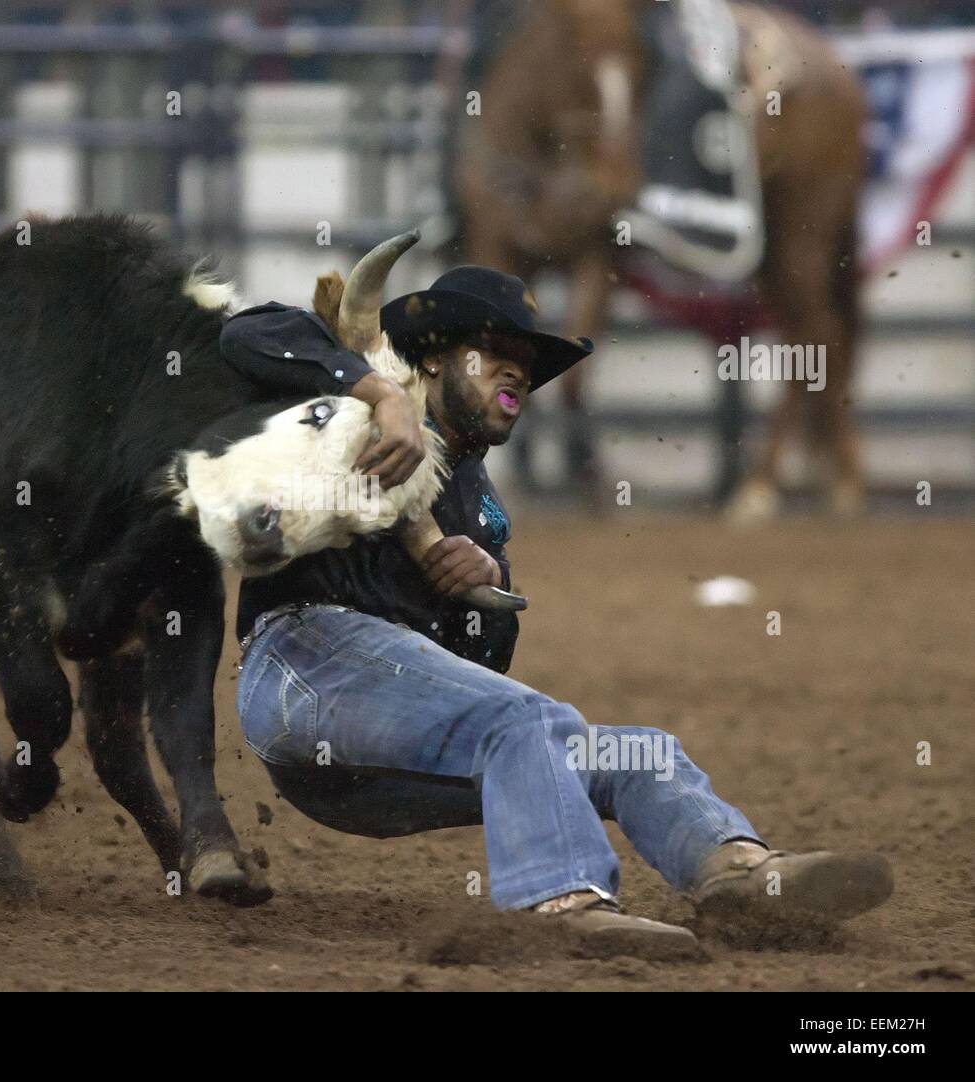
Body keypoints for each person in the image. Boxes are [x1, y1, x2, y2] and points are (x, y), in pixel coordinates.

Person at [220, 264, 892, 950]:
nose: (514, 375)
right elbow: (246, 332)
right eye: (492, 356)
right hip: (302, 665)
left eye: (524, 366)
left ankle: (741, 877)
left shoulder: (483, 514)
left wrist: (475, 590)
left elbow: (478, 666)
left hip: (372, 746)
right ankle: (557, 901)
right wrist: (381, 395)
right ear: (429, 357)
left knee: (638, 755)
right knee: (527, 719)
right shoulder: (350, 415)